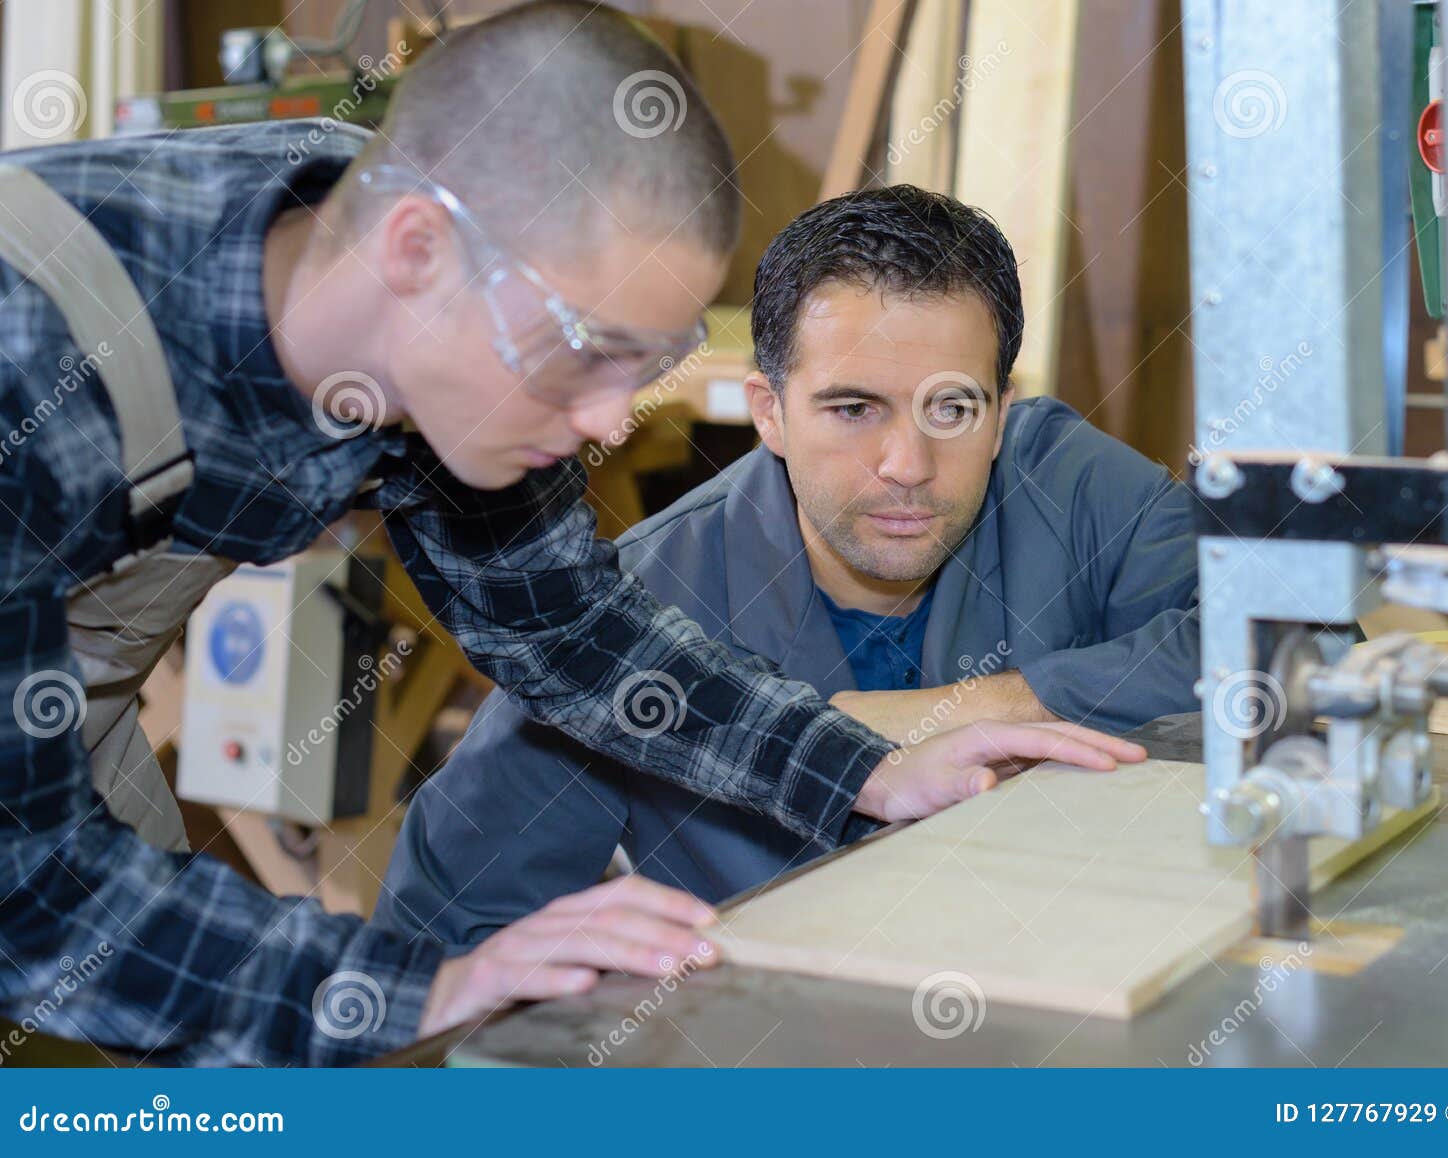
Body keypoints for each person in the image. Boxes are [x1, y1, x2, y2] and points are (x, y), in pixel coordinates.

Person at [0, 4, 1141, 1066]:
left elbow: (571, 634)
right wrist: (422, 988)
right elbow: (27, 893)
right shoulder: (30, 360)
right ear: (414, 252)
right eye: (587, 351)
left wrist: (866, 769)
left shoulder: (429, 318)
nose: (607, 420)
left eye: (641, 364)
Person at [375, 186, 1196, 949]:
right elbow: (448, 920)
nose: (908, 462)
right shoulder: (630, 614)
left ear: (1002, 409)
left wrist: (972, 706)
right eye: (852, 409)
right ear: (768, 411)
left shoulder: (1071, 489)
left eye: (953, 407)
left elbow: (1282, 638)